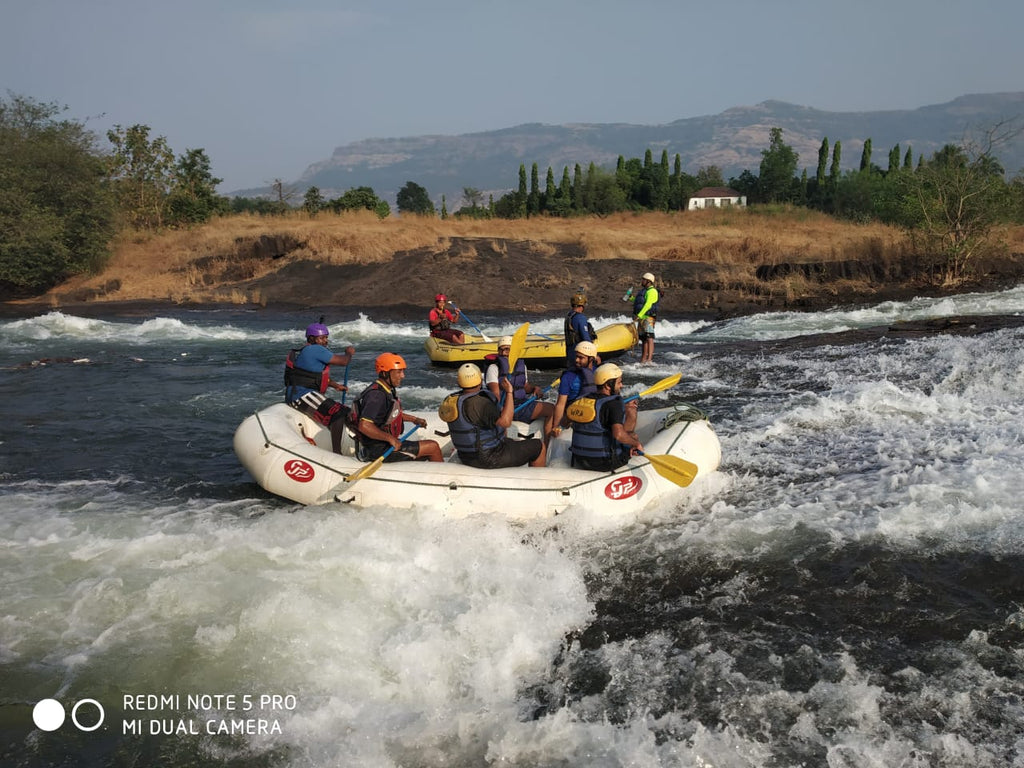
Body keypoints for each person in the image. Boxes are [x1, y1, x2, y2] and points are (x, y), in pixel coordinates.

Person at [441, 363, 546, 468]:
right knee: (539, 446)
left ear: (459, 382)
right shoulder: (482, 403)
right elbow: (506, 422)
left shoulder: (451, 401)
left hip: (465, 455)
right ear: (479, 380)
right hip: (489, 457)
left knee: (510, 441)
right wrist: (509, 392)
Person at [353, 353, 442, 463]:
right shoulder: (377, 396)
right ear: (385, 373)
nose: (403, 376)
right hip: (379, 450)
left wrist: (414, 419)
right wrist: (390, 439)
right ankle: (444, 479)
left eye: (402, 371)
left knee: (423, 454)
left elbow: (391, 414)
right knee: (432, 447)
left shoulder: (385, 390)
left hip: (384, 445)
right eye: (398, 372)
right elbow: (364, 425)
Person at [283, 321, 355, 453]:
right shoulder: (315, 349)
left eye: (326, 337)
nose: (325, 341)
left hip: (300, 393)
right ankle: (337, 453)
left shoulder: (306, 351)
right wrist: (348, 353)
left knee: (345, 411)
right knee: (338, 413)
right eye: (322, 338)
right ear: (311, 338)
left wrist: (335, 385)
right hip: (301, 395)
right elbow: (344, 361)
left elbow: (312, 375)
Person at [568, 363, 644, 471]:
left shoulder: (581, 399)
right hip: (604, 462)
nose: (621, 385)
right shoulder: (614, 403)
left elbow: (564, 422)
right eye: (619, 382)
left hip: (579, 459)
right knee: (633, 436)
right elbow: (618, 434)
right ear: (608, 386)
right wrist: (636, 444)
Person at [485, 335, 555, 434]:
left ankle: (547, 446)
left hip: (521, 405)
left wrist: (534, 388)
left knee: (551, 409)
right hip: (504, 407)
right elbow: (495, 395)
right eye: (501, 350)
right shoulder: (493, 368)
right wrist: (504, 413)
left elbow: (525, 387)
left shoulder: (521, 365)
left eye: (507, 349)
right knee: (502, 422)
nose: (504, 352)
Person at [549, 340, 600, 438]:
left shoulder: (599, 373)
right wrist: (556, 426)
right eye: (576, 356)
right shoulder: (568, 376)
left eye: (581, 358)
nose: (576, 360)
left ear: (591, 359)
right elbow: (561, 404)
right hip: (573, 414)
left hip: (593, 412)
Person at [632, 272, 660, 363]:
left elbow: (647, 305)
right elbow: (640, 303)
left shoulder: (652, 291)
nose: (642, 281)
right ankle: (643, 359)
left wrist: (639, 315)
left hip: (648, 317)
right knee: (644, 339)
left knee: (649, 338)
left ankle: (649, 359)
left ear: (648, 281)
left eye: (643, 280)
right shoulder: (644, 291)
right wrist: (631, 298)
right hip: (642, 317)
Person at [563, 292, 596, 366]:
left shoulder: (569, 316)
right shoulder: (580, 318)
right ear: (582, 305)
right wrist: (594, 355)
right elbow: (586, 337)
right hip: (580, 355)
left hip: (570, 354)